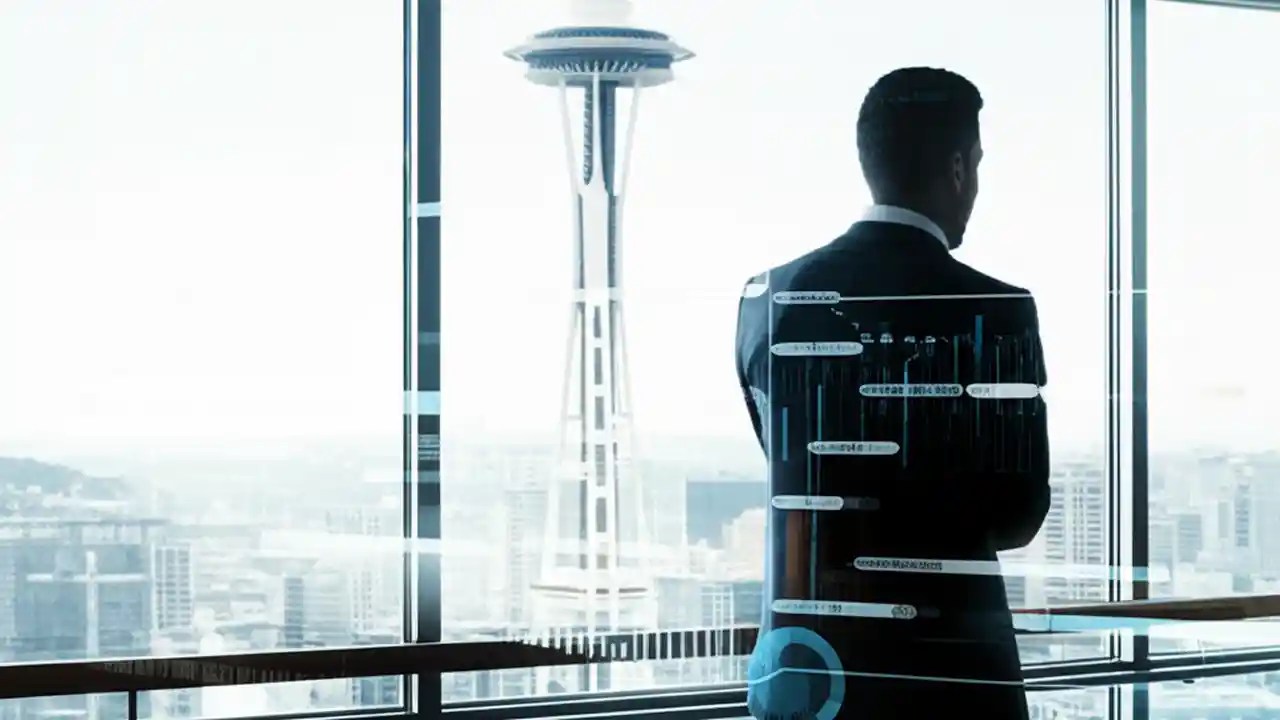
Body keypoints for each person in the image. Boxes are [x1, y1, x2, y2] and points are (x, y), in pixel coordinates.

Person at [736, 67, 1051, 719]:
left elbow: (797, 467)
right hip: (947, 681)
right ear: (960, 167)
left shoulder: (766, 300)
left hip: (809, 678)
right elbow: (1017, 514)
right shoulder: (996, 309)